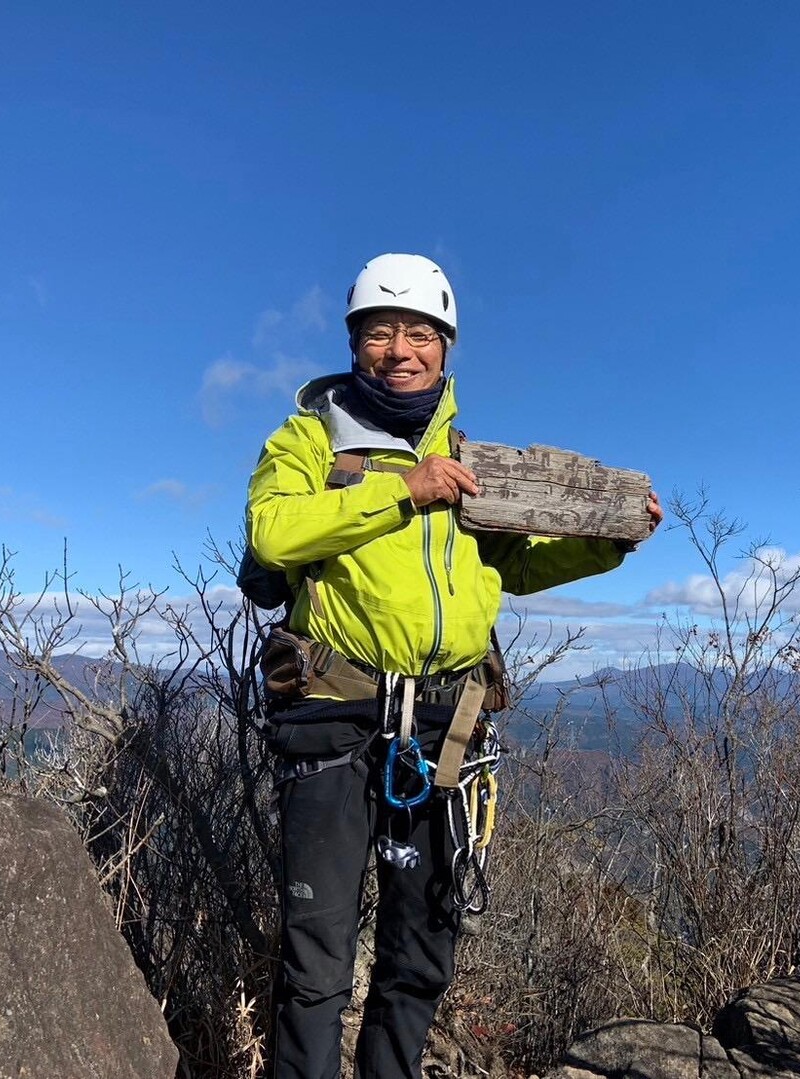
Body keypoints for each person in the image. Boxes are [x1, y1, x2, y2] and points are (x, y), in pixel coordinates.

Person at [246, 253, 662, 1079]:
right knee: (316, 954)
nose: (400, 350)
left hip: (446, 727)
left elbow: (515, 565)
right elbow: (273, 535)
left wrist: (610, 542)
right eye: (379, 332)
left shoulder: (474, 456)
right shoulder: (307, 439)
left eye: (419, 333)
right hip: (335, 714)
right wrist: (403, 492)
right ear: (354, 344)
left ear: (445, 347)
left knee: (422, 947)